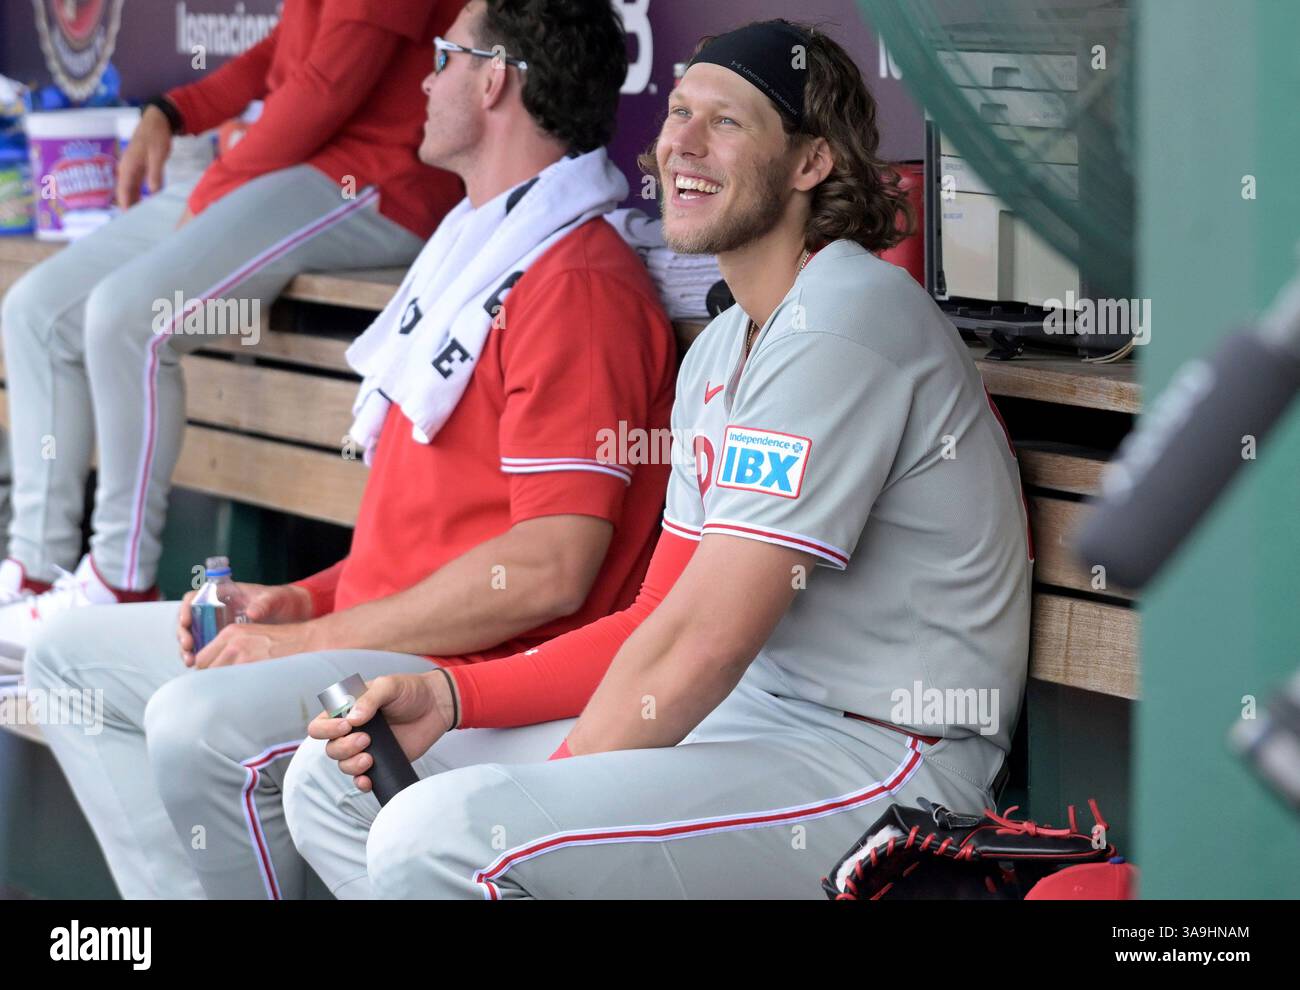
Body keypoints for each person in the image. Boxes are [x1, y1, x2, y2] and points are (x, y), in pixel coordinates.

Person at [284, 17, 1035, 901]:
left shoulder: (849, 312)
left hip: (886, 759)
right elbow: (660, 618)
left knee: (446, 830)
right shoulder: (722, 348)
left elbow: (705, 641)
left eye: (725, 121)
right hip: (751, 722)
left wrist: (545, 801)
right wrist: (455, 700)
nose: (678, 141)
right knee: (333, 783)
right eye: (677, 113)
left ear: (810, 163)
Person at [24, 0, 675, 899]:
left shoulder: (575, 282)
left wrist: (312, 639)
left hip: (464, 679)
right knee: (68, 660)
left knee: (193, 721)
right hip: (370, 634)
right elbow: (422, 547)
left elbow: (548, 572)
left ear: (494, 81)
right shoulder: (470, 254)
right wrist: (298, 599)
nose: (424, 75)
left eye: (445, 57)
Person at [0, 0, 466, 651]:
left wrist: (215, 187)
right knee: (36, 312)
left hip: (375, 178)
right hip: (279, 167)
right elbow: (283, 53)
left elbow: (325, 90)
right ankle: (35, 573)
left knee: (131, 317)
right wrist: (176, 109)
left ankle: (118, 581)